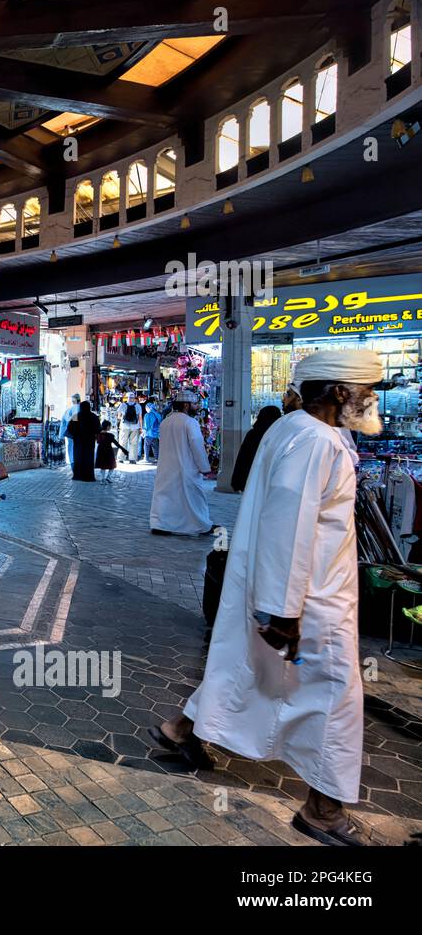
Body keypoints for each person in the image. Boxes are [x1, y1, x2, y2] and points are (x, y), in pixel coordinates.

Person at [150, 349, 384, 846]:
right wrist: (284, 612)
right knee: (335, 697)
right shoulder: (316, 440)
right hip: (310, 598)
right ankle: (322, 811)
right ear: (339, 392)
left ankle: (181, 731)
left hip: (284, 588)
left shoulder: (293, 428)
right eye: (366, 391)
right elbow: (288, 523)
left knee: (240, 666)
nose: (370, 400)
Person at [149, 389, 214, 536]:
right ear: (186, 405)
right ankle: (200, 524)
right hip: (186, 467)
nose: (197, 407)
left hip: (166, 467)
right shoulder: (190, 423)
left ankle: (160, 524)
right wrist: (204, 467)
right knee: (193, 498)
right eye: (194, 404)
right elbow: (197, 446)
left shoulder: (166, 421)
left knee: (165, 496)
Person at [230, 405, 282, 492]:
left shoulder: (254, 434)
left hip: (252, 479)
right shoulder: (278, 434)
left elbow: (243, 459)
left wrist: (237, 480)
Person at [68, 400, 100, 482]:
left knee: (78, 456)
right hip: (90, 440)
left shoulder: (76, 416)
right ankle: (88, 476)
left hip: (78, 440)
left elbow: (70, 428)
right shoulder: (94, 416)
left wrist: (76, 434)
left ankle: (78, 475)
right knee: (89, 457)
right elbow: (98, 428)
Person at [118, 393, 144, 464]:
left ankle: (121, 458)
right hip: (135, 427)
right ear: (134, 398)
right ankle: (132, 459)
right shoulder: (138, 406)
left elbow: (119, 416)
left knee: (123, 442)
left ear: (127, 398)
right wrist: (141, 427)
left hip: (124, 427)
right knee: (134, 443)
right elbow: (140, 418)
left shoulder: (122, 405)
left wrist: (124, 417)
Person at [60, 393, 81, 466]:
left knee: (71, 449)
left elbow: (63, 422)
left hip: (71, 433)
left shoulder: (69, 410)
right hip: (78, 432)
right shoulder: (81, 409)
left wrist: (61, 435)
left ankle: (73, 464)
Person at [142, 395, 164, 464]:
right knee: (155, 447)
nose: (146, 409)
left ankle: (146, 458)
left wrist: (144, 432)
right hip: (156, 434)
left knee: (146, 446)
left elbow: (146, 425)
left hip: (149, 433)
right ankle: (157, 458)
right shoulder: (158, 414)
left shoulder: (147, 415)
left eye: (146, 408)